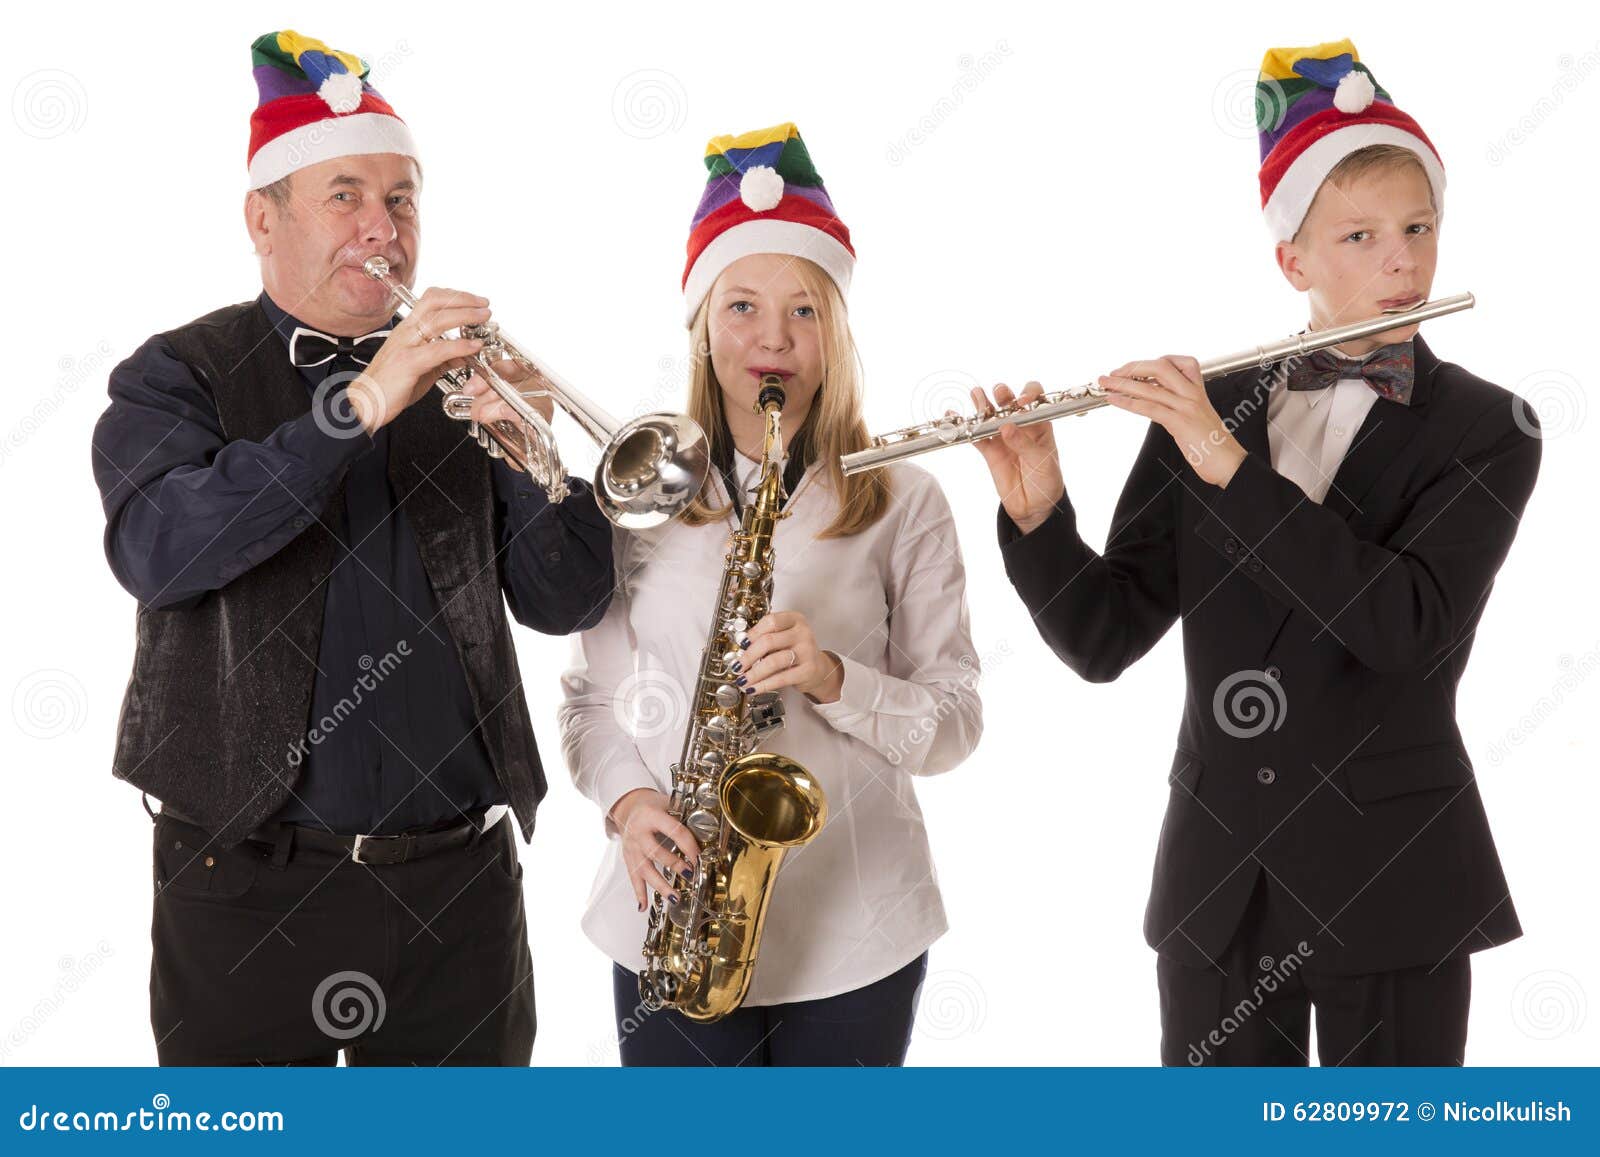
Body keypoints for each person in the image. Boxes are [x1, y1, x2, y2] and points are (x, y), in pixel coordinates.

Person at [974, 40, 1540, 1065]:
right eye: (1360, 236)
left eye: (1417, 229)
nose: (1401, 262)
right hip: (1219, 883)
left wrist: (1226, 464)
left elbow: (1403, 626)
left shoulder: (1490, 428)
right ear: (1294, 262)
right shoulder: (1211, 408)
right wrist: (1039, 513)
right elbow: (1103, 639)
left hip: (1394, 877)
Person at [90, 30, 614, 1065]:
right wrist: (361, 405)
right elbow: (161, 550)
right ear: (262, 218)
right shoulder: (173, 374)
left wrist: (530, 454)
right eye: (346, 197)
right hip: (243, 886)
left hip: (457, 892)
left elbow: (567, 602)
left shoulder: (462, 383)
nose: (384, 229)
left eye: (402, 200)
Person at [559, 123, 982, 1066]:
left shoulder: (905, 498)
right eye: (742, 305)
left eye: (804, 310)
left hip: (859, 926)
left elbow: (955, 726)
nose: (774, 339)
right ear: (702, 328)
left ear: (837, 333)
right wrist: (630, 803)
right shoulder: (639, 495)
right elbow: (591, 705)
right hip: (670, 913)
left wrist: (837, 677)